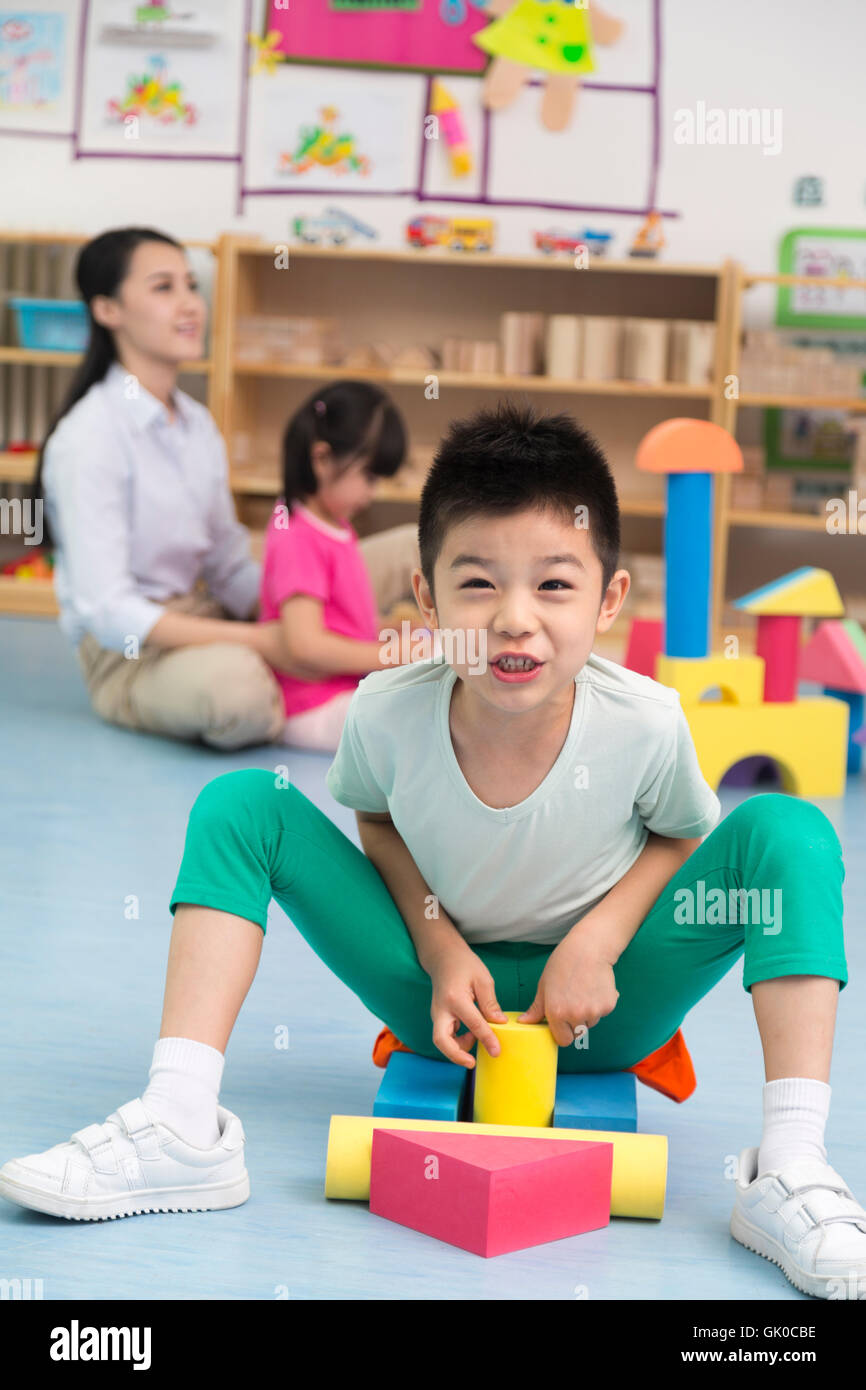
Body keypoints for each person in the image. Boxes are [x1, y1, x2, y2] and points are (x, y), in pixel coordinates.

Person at [4, 403, 863, 1301]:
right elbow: (374, 823)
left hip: (603, 1010)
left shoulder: (646, 720)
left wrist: (597, 942)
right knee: (245, 802)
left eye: (556, 587)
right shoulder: (387, 708)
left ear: (610, 599)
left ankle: (790, 1166)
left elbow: (682, 833)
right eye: (479, 584)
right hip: (440, 1005)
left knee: (789, 830)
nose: (515, 621)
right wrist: (438, 944)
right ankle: (181, 1123)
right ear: (427, 597)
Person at [36, 226, 419, 749]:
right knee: (240, 693)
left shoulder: (196, 425)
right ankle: (321, 697)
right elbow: (109, 612)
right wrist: (268, 640)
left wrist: (294, 614)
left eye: (191, 285)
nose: (191, 303)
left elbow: (227, 563)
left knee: (415, 546)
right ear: (107, 310)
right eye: (163, 287)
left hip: (218, 613)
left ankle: (479, 661)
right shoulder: (88, 438)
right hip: (135, 654)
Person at [261, 381, 425, 753]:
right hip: (309, 706)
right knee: (424, 720)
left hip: (342, 692)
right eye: (369, 477)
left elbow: (341, 623)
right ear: (321, 459)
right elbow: (304, 646)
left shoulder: (335, 526)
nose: (373, 492)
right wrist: (390, 655)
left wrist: (393, 632)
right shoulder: (297, 535)